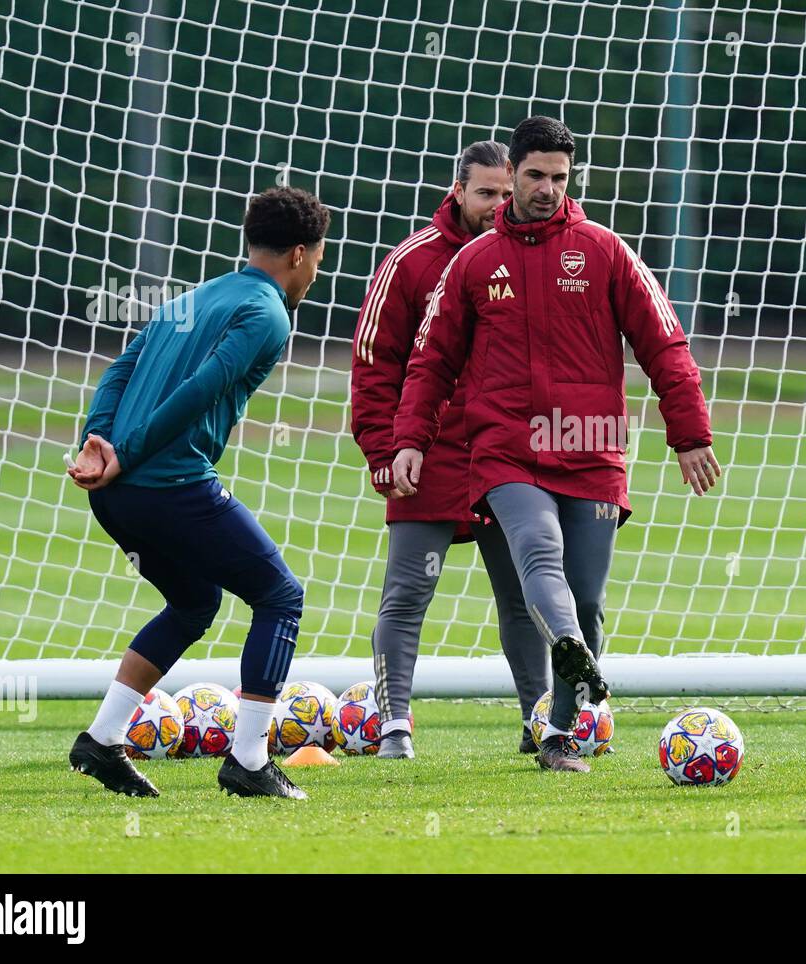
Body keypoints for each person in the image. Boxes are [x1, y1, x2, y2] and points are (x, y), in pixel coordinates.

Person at [393, 117, 719, 772]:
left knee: (588, 596)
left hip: (593, 448)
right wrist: (411, 441)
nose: (547, 188)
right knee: (538, 549)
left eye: (559, 178)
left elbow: (665, 343)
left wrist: (688, 433)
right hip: (506, 449)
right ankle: (563, 660)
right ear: (511, 173)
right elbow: (430, 361)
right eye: (535, 175)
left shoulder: (605, 251)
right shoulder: (475, 262)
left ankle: (559, 732)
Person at [66, 186, 330, 799]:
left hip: (116, 494)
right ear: (298, 253)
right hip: (169, 487)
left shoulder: (196, 295)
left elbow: (119, 371)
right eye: (318, 258)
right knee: (280, 596)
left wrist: (97, 442)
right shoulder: (267, 314)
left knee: (194, 602)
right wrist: (124, 451)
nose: (316, 272)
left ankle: (102, 741)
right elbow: (203, 388)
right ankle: (249, 758)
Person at [351, 141, 549, 758]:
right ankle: (394, 728)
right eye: (484, 192)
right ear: (457, 191)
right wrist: (385, 451)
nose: (495, 205)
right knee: (408, 593)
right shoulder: (410, 262)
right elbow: (373, 367)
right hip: (427, 455)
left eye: (502, 192)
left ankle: (541, 722)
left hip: (503, 455)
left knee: (524, 597)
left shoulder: (531, 258)